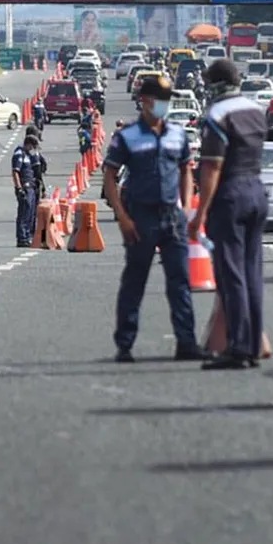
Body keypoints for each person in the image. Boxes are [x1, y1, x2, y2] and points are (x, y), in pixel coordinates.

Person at [102, 73, 204, 363]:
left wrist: (186, 208)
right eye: (159, 100)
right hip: (140, 216)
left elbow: (186, 169)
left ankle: (186, 342)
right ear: (144, 102)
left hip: (172, 216)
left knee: (180, 281)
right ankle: (124, 344)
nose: (163, 105)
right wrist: (121, 216)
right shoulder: (128, 136)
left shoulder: (177, 134)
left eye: (166, 100)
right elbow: (109, 175)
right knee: (135, 280)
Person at [187, 58, 270, 370]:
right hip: (257, 191)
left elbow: (212, 167)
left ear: (216, 84)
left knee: (231, 274)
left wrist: (200, 215)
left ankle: (238, 347)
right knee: (252, 272)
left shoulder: (216, 115)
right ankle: (251, 344)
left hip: (231, 194)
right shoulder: (255, 109)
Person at [11, 135, 41, 247]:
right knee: (24, 213)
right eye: (32, 146)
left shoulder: (28, 154)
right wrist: (19, 188)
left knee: (30, 213)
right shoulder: (19, 154)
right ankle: (22, 238)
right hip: (24, 187)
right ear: (28, 144)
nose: (33, 149)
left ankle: (28, 235)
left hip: (31, 187)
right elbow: (15, 172)